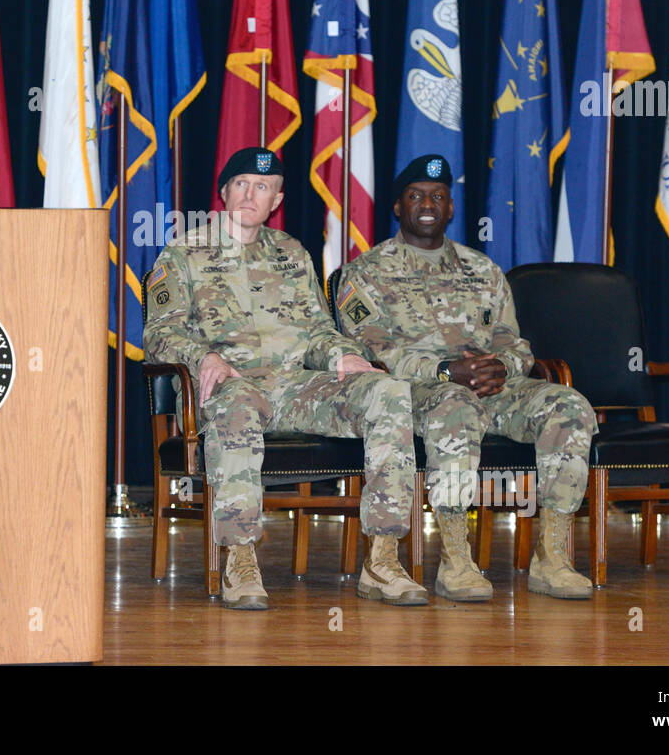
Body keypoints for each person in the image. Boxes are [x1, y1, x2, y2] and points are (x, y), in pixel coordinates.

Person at [144, 147, 422, 610]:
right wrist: (203, 356)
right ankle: (239, 558)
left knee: (386, 392)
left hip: (296, 386)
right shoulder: (182, 253)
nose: (250, 194)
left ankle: (382, 560)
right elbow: (159, 333)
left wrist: (343, 356)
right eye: (241, 184)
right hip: (229, 384)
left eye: (262, 187)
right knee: (234, 403)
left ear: (276, 200)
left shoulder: (292, 253)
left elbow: (317, 330)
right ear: (224, 191)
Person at [335, 154, 596, 601]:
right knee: (453, 407)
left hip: (494, 390)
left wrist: (503, 367)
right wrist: (445, 371)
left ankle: (552, 557)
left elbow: (513, 340)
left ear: (451, 208)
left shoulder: (483, 270)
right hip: (418, 394)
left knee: (570, 407)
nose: (428, 203)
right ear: (397, 207)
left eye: (438, 196)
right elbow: (372, 351)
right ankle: (456, 559)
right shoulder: (364, 273)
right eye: (415, 195)